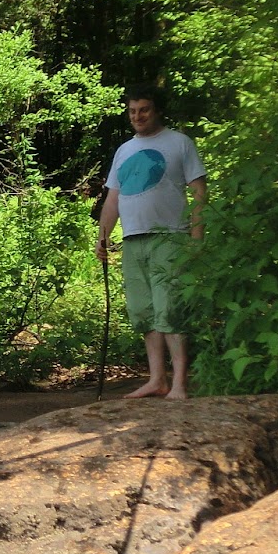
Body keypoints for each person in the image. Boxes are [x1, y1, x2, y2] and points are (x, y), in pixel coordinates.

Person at [96, 88, 207, 399]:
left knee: (170, 309)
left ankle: (180, 384)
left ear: (156, 111)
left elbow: (199, 192)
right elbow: (112, 199)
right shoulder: (124, 151)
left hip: (171, 236)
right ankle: (157, 379)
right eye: (132, 110)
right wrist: (103, 236)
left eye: (143, 109)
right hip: (133, 239)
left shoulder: (179, 143)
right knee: (143, 311)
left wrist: (197, 239)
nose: (137, 116)